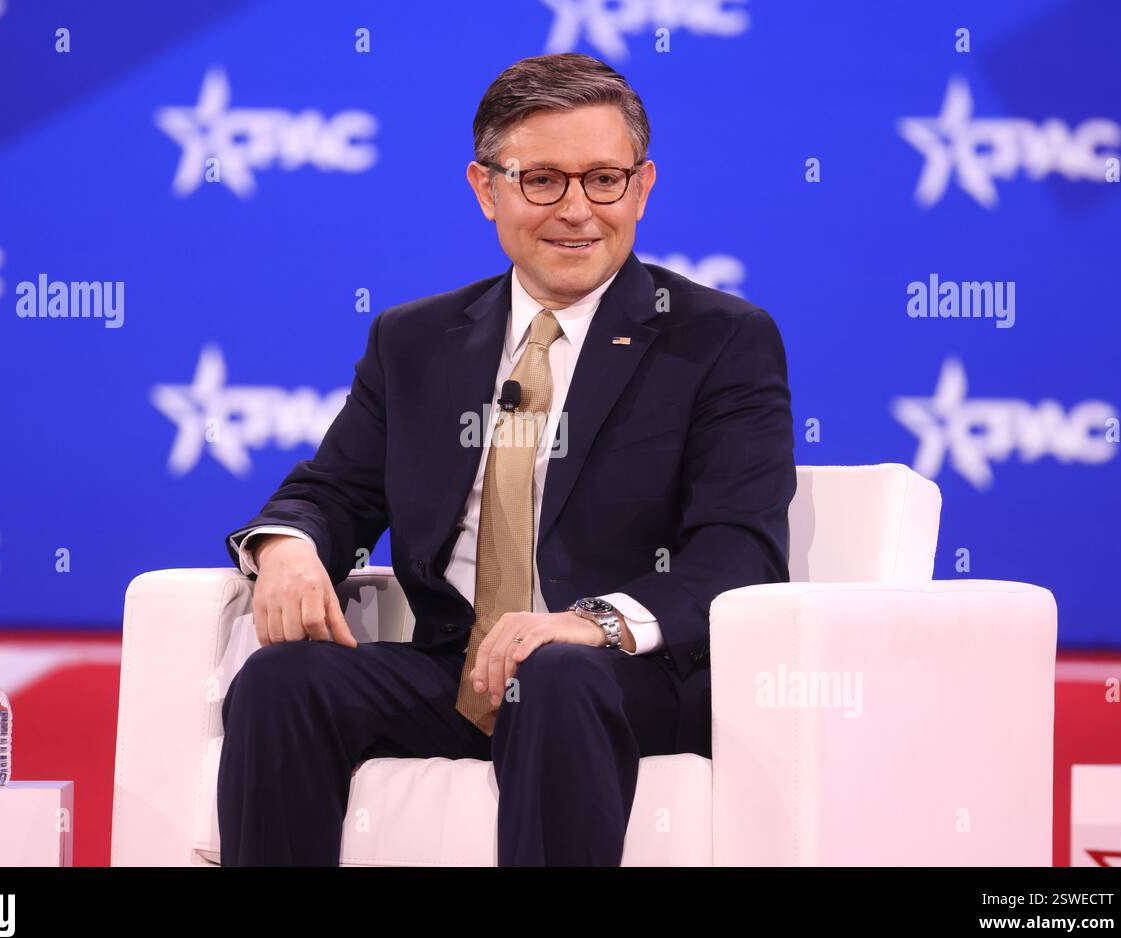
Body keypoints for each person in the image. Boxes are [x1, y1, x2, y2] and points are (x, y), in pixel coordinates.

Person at [217, 52, 795, 866]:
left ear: (643, 186)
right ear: (486, 188)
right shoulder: (414, 340)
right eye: (542, 181)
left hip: (618, 681)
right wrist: (287, 544)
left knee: (555, 674)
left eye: (604, 178)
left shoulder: (717, 340)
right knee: (282, 682)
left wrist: (587, 624)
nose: (578, 210)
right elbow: (333, 489)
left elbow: (740, 552)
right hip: (461, 672)